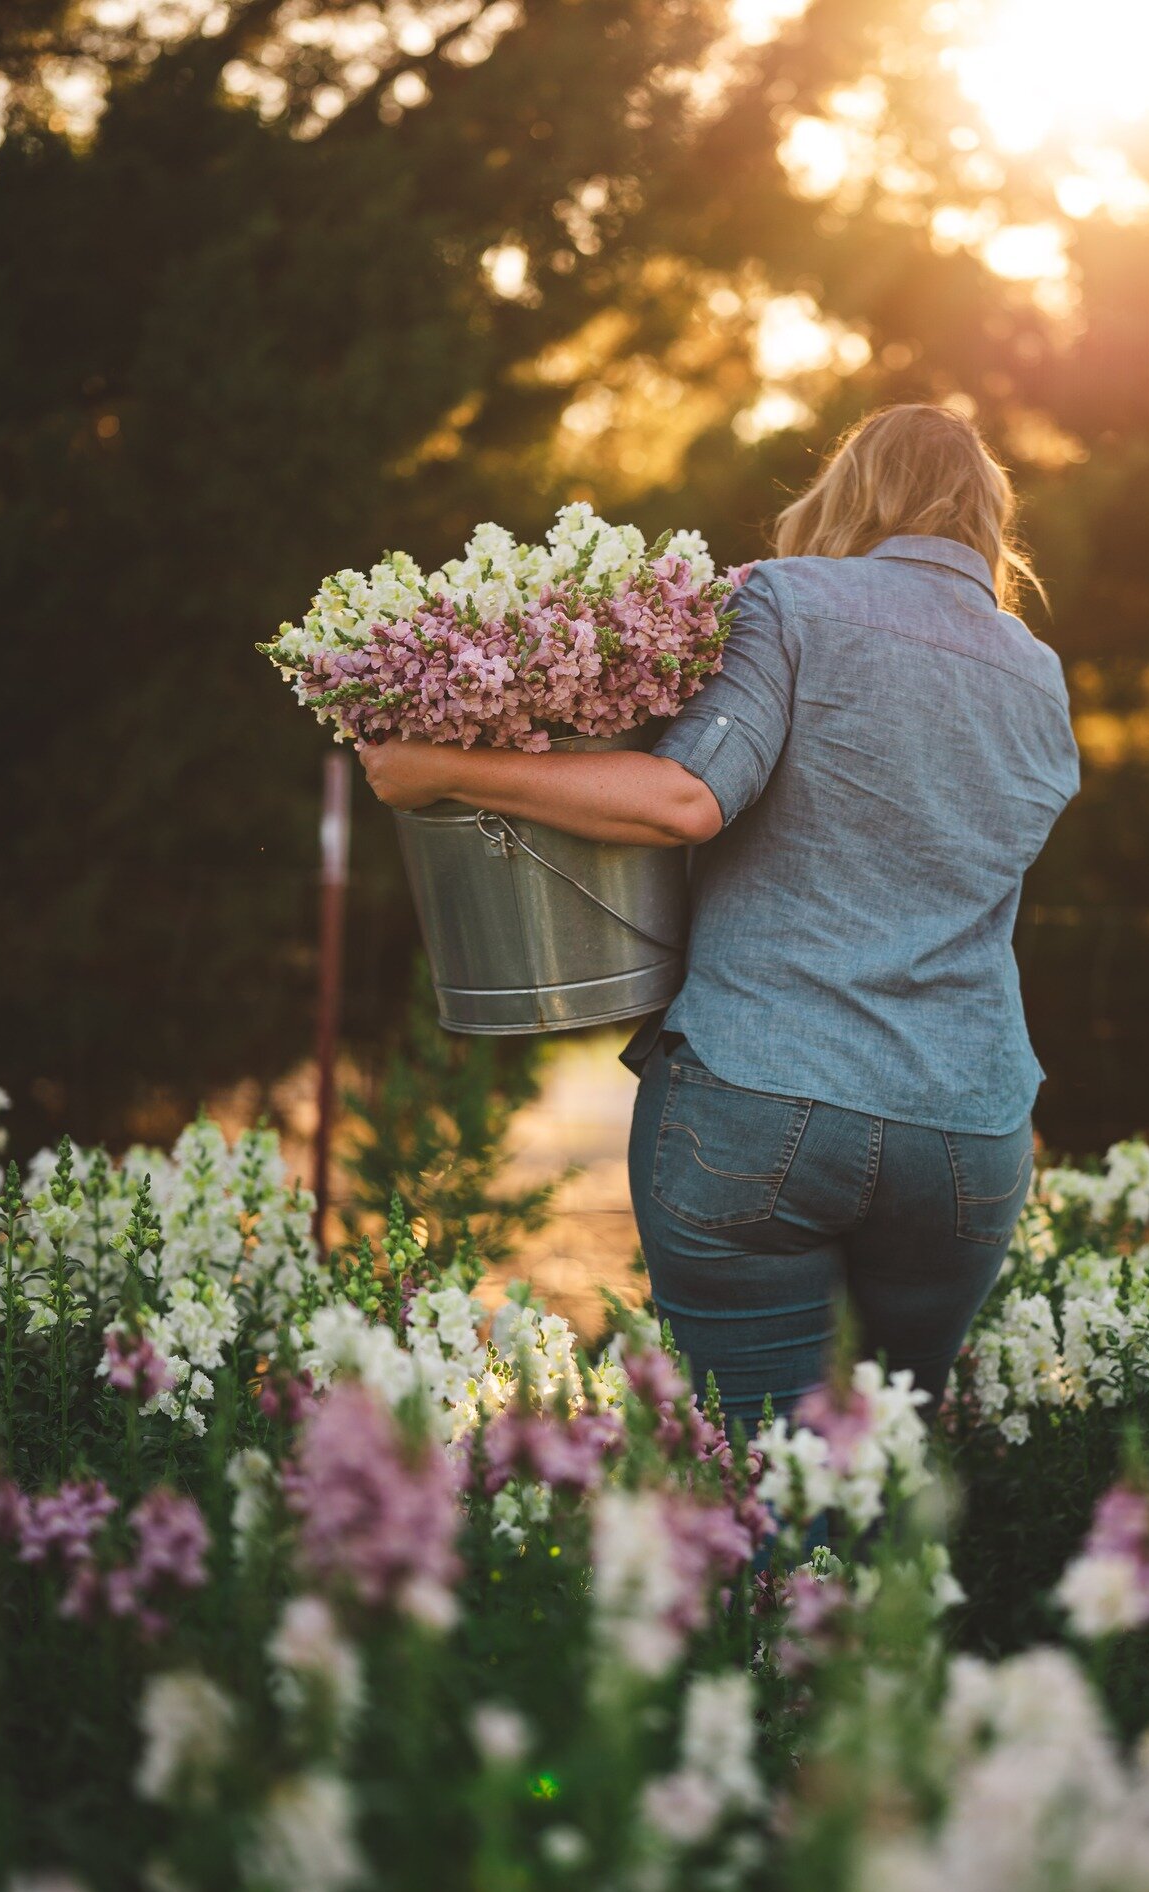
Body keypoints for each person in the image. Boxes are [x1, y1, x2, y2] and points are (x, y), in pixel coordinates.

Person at [360, 403, 1080, 1421]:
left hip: (761, 1096)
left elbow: (686, 799)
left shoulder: (793, 599)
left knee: (760, 1465)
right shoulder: (1038, 673)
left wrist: (444, 769)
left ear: (852, 492)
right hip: (969, 1130)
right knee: (884, 1455)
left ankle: (776, 1535)